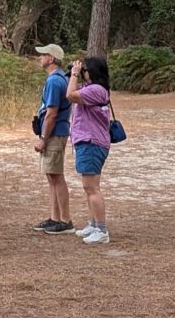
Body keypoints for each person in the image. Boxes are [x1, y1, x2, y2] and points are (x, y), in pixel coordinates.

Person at [65, 54, 114, 244]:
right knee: (89, 187)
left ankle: (101, 230)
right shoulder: (93, 89)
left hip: (92, 142)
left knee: (92, 187)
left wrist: (75, 74)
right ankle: (94, 224)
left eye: (85, 70)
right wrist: (74, 73)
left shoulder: (96, 90)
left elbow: (70, 95)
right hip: (88, 141)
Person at [30, 43, 74, 233]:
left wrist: (43, 137)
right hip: (56, 132)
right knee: (51, 175)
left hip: (55, 133)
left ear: (51, 59)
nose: (40, 58)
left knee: (56, 176)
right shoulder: (58, 79)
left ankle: (65, 220)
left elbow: (51, 113)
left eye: (43, 55)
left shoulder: (54, 81)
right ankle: (55, 217)